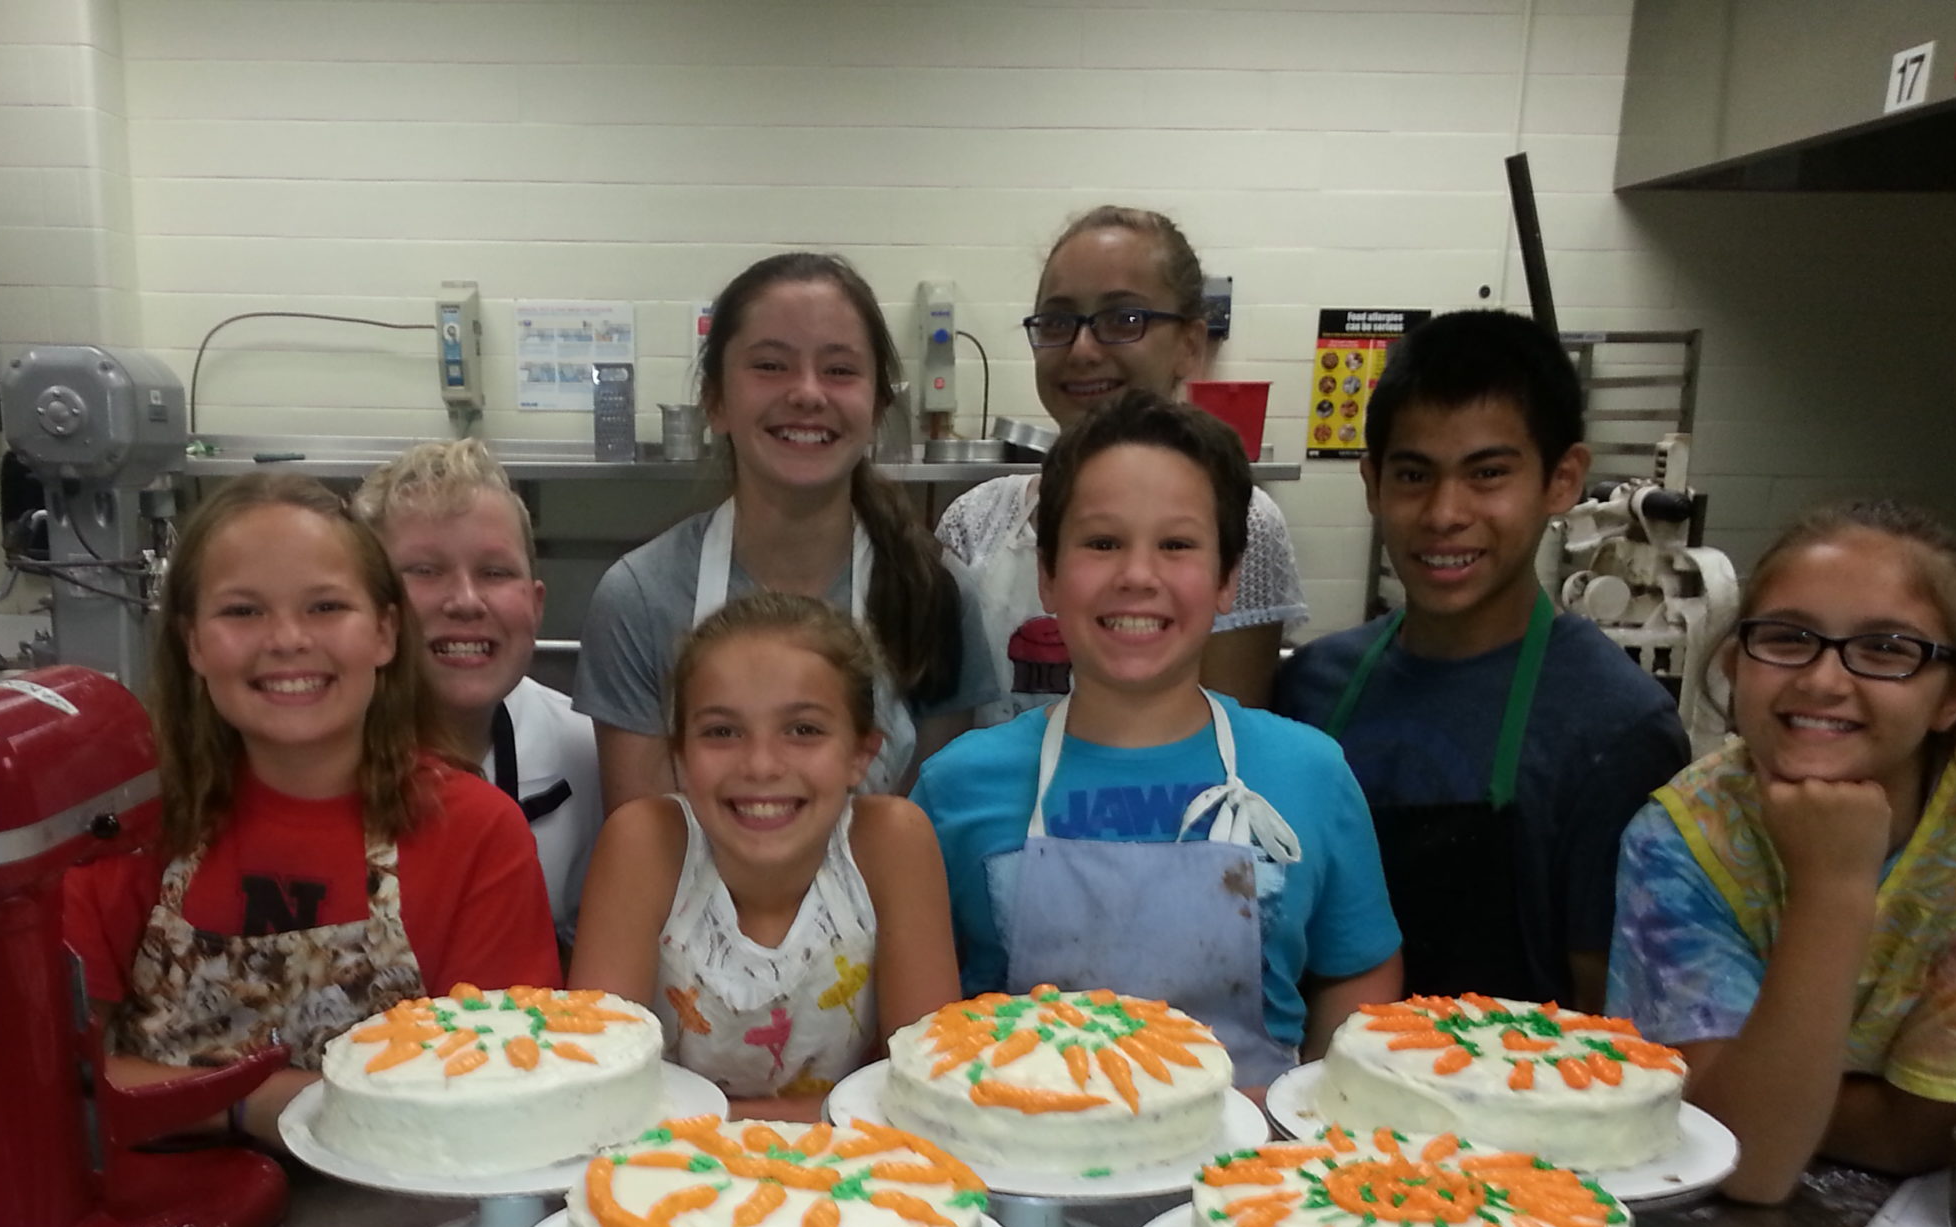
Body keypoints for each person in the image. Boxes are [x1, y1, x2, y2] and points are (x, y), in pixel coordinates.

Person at [911, 390, 1400, 1091]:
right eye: (1102, 543)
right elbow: (920, 1016)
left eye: (1176, 545)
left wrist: (1318, 1109)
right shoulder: (957, 785)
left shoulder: (1310, 773)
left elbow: (1357, 967)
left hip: (1252, 1153)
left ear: (1228, 579)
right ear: (1048, 576)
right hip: (1026, 1145)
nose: (1138, 576)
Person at [1607, 500, 1956, 1203]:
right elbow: (1739, 1154)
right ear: (1736, 663)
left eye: (1886, 649)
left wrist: (1755, 1088)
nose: (1824, 680)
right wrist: (1831, 889)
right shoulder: (1682, 836)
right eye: (1787, 638)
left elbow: (1935, 1129)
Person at [63, 472, 559, 1140]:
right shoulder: (123, 830)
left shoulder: (476, 832)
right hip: (152, 1192)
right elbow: (64, 1079)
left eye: (325, 606)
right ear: (192, 642)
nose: (288, 639)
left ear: (385, 631)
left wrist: (203, 1098)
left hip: (397, 1193)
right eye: (243, 611)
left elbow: (500, 1090)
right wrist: (262, 1105)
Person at [1274, 307, 1689, 1011]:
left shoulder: (1617, 727)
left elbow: (1616, 1012)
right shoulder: (1310, 688)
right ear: (1372, 482)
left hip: (1515, 1077)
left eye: (1488, 473)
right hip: (1312, 1074)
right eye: (1414, 475)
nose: (1444, 513)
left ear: (1562, 479)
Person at [574, 251, 998, 809]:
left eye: (840, 370)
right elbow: (641, 841)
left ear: (877, 408)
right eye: (771, 365)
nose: (807, 393)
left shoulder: (936, 592)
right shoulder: (640, 599)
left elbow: (934, 825)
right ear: (716, 401)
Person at [568, 593, 961, 1119]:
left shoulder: (891, 845)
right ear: (680, 755)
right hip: (658, 1164)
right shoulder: (645, 845)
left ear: (861, 753)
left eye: (803, 730)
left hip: (849, 1163)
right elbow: (598, 1091)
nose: (760, 765)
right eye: (722, 732)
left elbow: (927, 1093)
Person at [936, 205, 1307, 721]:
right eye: (1058, 321)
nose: (1082, 349)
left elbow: (1231, 739)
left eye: (1124, 319)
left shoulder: (1242, 520)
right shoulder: (975, 521)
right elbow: (949, 730)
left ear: (1189, 344)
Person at [351, 439, 601, 942]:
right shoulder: (308, 758)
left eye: (494, 572)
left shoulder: (587, 754)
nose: (465, 601)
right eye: (425, 571)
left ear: (536, 605)